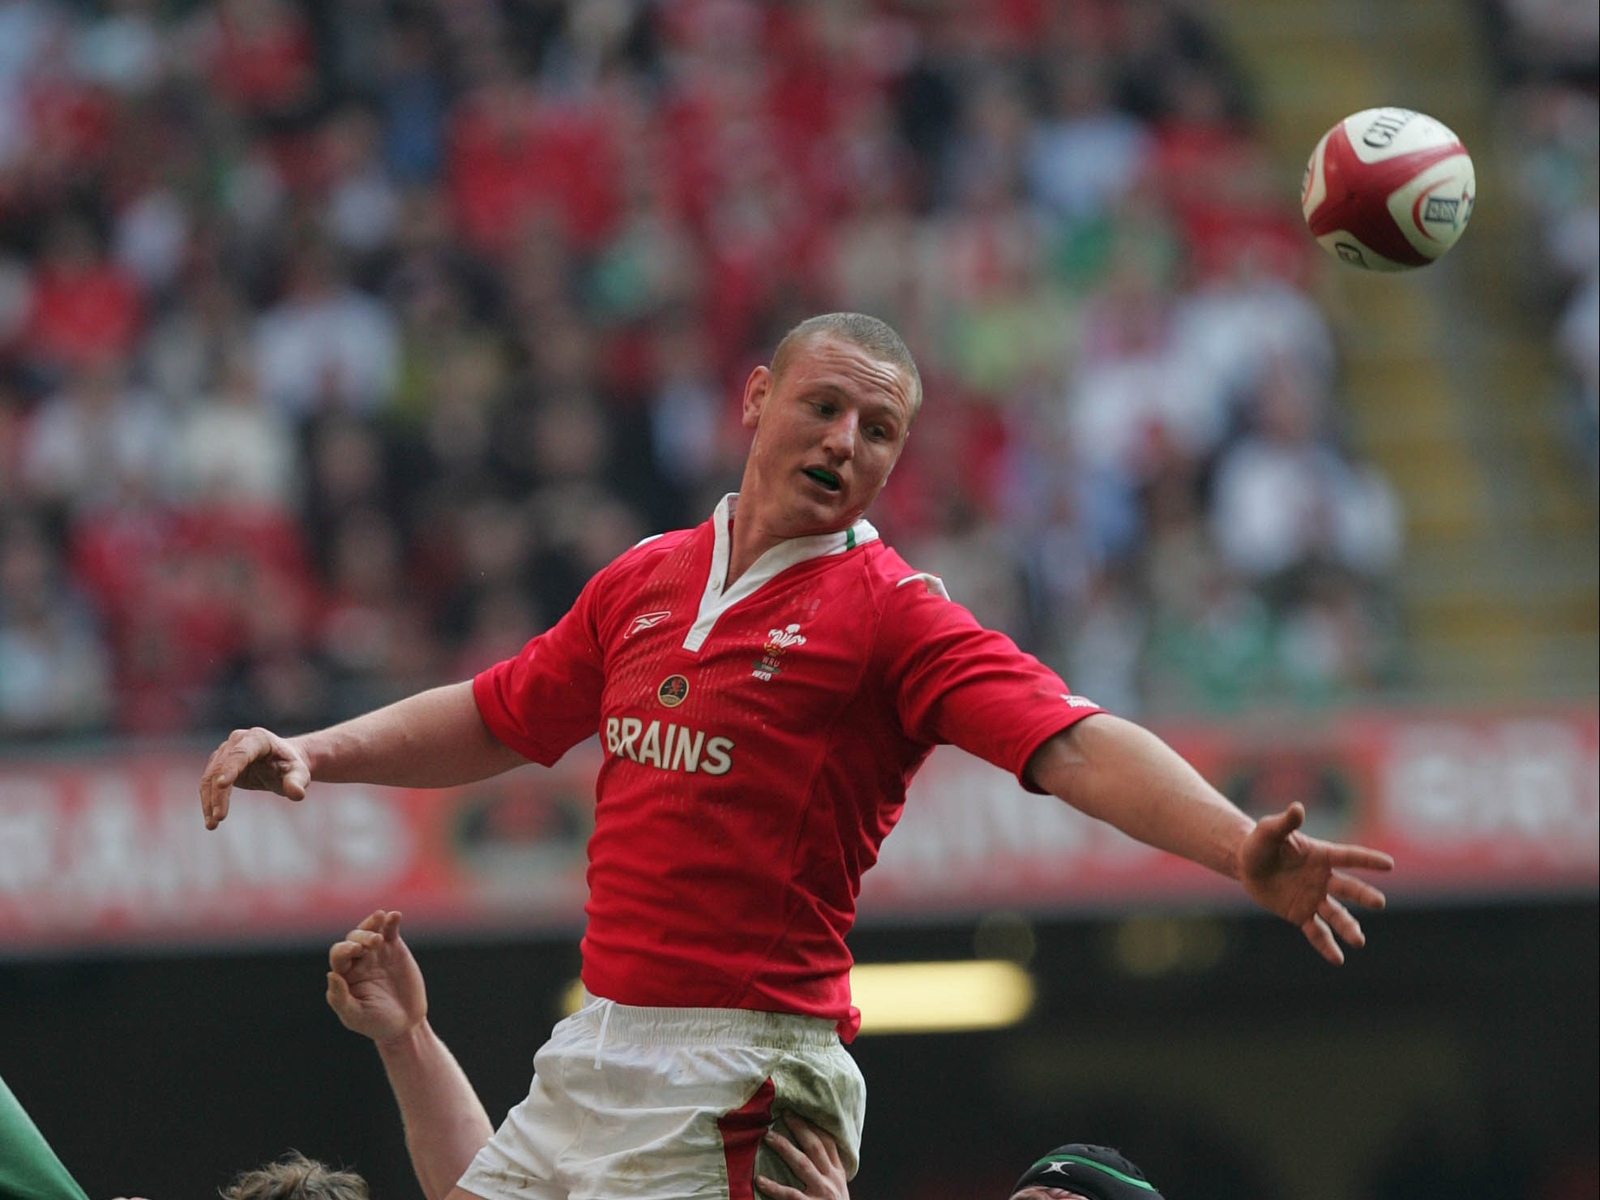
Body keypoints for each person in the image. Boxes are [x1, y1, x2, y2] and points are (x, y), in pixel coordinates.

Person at [201, 312, 1393, 1200]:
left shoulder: (890, 612)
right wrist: (314, 747)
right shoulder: (645, 578)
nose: (845, 440)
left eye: (879, 430)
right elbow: (500, 713)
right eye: (824, 406)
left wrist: (1234, 843)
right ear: (757, 400)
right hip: (605, 1030)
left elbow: (1070, 743)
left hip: (745, 1063)